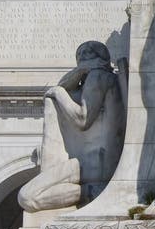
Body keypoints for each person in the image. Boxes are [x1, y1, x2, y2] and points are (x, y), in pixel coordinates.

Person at [19, 41, 126, 212]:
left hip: (91, 166)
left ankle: (94, 191)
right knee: (28, 198)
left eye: (83, 57)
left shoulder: (98, 77)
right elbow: (64, 85)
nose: (80, 61)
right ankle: (94, 191)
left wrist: (58, 93)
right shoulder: (104, 78)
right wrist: (78, 73)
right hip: (90, 164)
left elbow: (82, 119)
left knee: (27, 197)